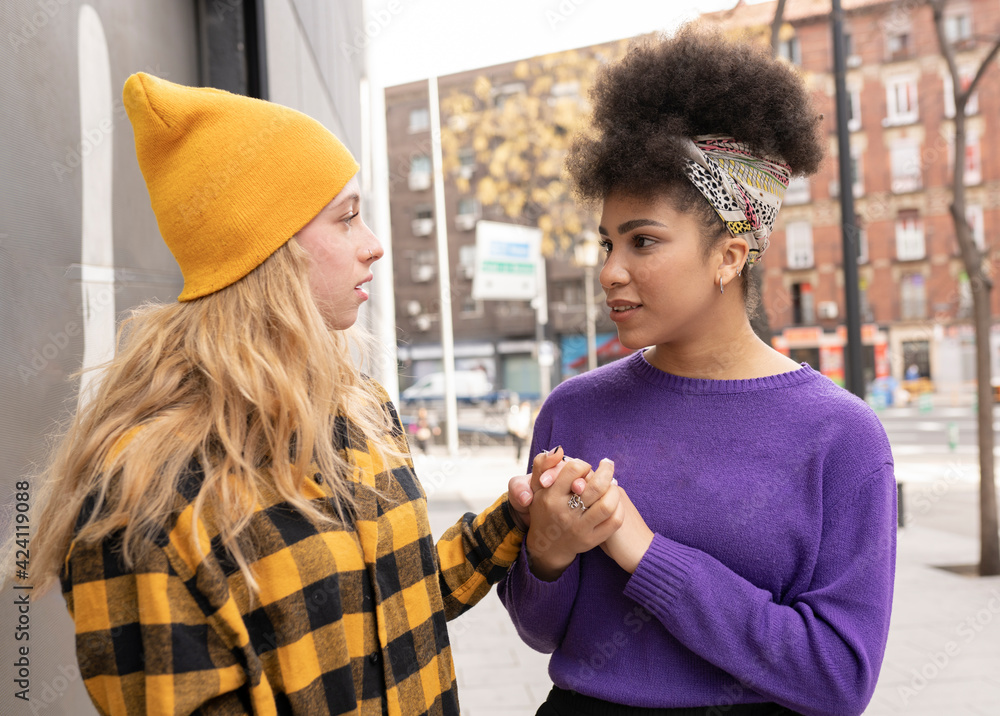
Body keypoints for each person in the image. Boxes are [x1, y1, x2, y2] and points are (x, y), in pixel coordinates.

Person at [16, 73, 617, 716]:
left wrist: (514, 519)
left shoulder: (363, 411)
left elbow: (396, 605)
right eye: (347, 218)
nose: (375, 246)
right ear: (270, 252)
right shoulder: (146, 494)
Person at [500, 26, 897, 716]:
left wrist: (645, 553)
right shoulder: (573, 411)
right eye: (607, 242)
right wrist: (547, 555)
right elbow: (540, 633)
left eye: (644, 241)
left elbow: (839, 677)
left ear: (729, 256)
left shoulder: (842, 436)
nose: (610, 272)